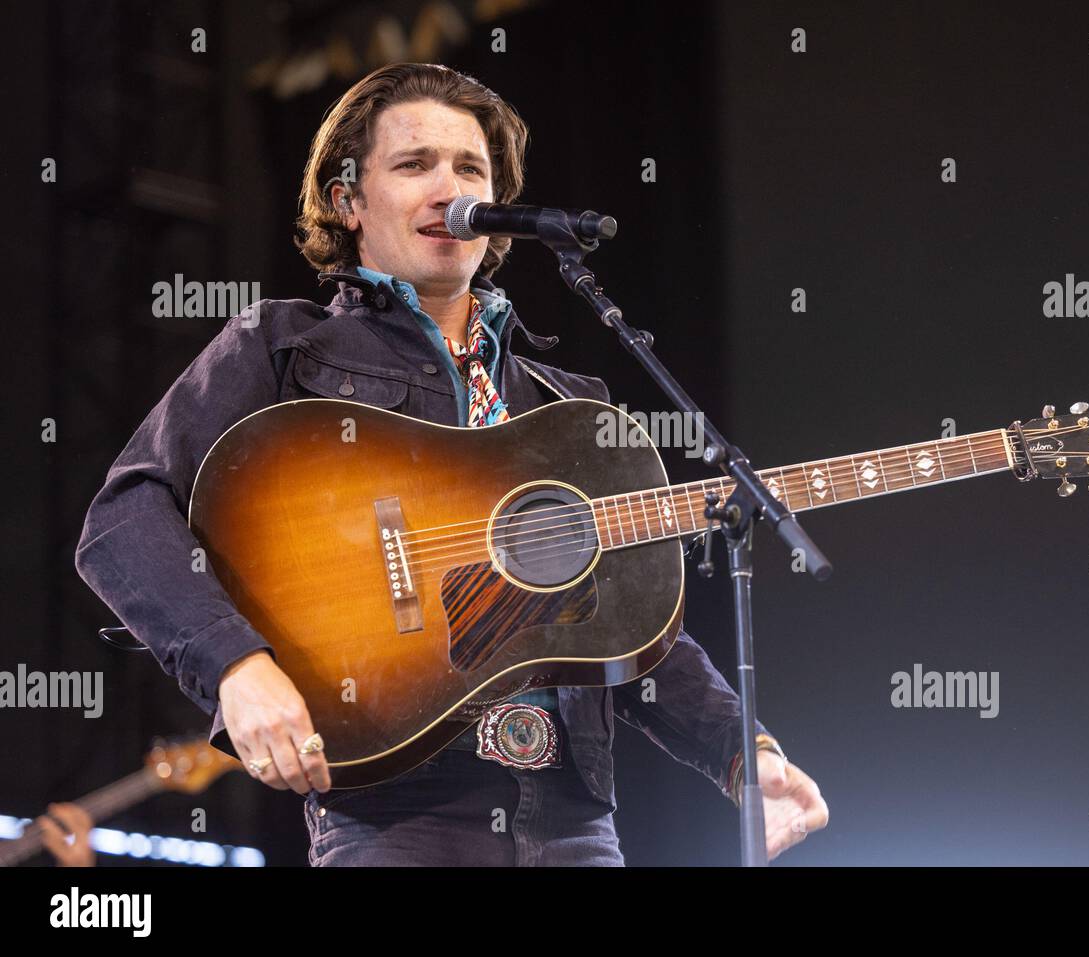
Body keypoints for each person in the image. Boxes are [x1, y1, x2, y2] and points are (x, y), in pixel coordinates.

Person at [75, 62, 827, 866]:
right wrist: (234, 664)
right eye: (414, 164)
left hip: (574, 821)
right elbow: (122, 521)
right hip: (392, 816)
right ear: (348, 202)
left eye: (470, 168)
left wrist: (746, 755)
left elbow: (637, 628)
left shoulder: (565, 404)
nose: (448, 186)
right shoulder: (282, 345)